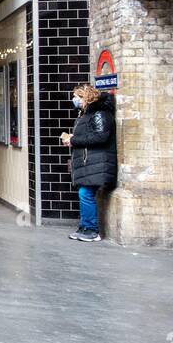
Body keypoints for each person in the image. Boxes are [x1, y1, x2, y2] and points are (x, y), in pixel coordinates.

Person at [62, 83, 116, 241]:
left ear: (85, 97)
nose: (74, 100)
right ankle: (85, 227)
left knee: (85, 193)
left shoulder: (99, 113)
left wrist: (74, 140)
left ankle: (91, 230)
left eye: (77, 97)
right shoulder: (85, 114)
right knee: (84, 193)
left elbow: (101, 136)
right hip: (90, 161)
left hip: (96, 162)